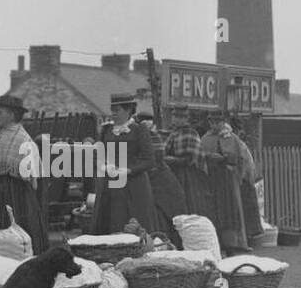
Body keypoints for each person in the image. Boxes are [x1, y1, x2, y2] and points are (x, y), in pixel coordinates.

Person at [0, 95, 49, 253]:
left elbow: (33, 179)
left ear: (11, 115)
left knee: (18, 231)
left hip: (17, 193)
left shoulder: (23, 139)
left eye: (0, 113)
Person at [91, 93, 156, 235]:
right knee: (110, 221)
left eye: (117, 110)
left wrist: (127, 170)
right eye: (112, 109)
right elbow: (98, 154)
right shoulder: (106, 130)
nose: (113, 113)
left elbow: (149, 160)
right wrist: (104, 165)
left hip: (133, 186)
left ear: (128, 110)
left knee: (130, 222)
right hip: (111, 184)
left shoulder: (139, 130)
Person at [136, 108, 187, 244]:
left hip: (157, 178)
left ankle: (167, 241)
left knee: (164, 212)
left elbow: (155, 158)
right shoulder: (153, 135)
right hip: (160, 177)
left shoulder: (147, 136)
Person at [200, 116, 250, 253]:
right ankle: (216, 243)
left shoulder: (232, 138)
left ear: (223, 122)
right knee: (214, 210)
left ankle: (233, 243)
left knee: (230, 211)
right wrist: (209, 158)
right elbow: (201, 157)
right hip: (212, 180)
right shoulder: (205, 138)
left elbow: (241, 158)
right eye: (211, 122)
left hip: (228, 180)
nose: (214, 124)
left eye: (217, 121)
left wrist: (228, 161)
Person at [165, 106, 214, 220]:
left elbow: (191, 158)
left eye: (180, 117)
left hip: (187, 174)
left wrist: (174, 160)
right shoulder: (172, 133)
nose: (176, 120)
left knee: (189, 201)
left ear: (186, 119)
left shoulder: (191, 133)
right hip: (174, 172)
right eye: (175, 117)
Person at [230, 119, 266, 242]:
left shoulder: (238, 145)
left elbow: (244, 165)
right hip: (247, 180)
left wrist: (240, 178)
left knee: (245, 210)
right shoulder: (240, 144)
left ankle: (248, 237)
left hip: (244, 181)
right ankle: (250, 235)